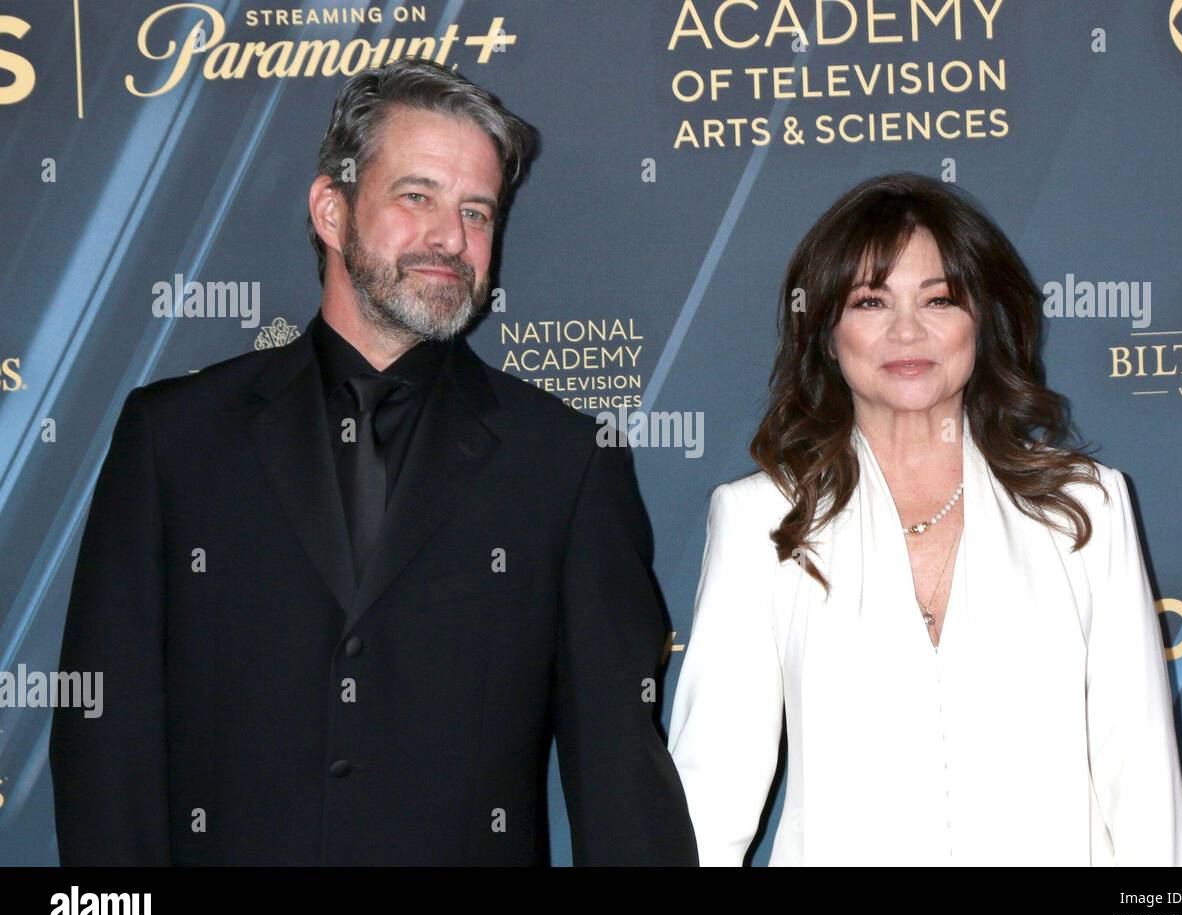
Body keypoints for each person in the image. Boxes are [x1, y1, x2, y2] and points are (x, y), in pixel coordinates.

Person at [49, 59, 698, 866]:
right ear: (332, 209)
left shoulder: (562, 462)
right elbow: (104, 743)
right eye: (416, 196)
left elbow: (618, 776)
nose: (451, 239)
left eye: (477, 212)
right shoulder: (175, 439)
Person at [666, 172, 1182, 866]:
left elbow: (1142, 778)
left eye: (939, 299)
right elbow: (711, 794)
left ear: (980, 321)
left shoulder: (1083, 507)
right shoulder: (762, 520)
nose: (907, 330)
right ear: (826, 333)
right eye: (871, 301)